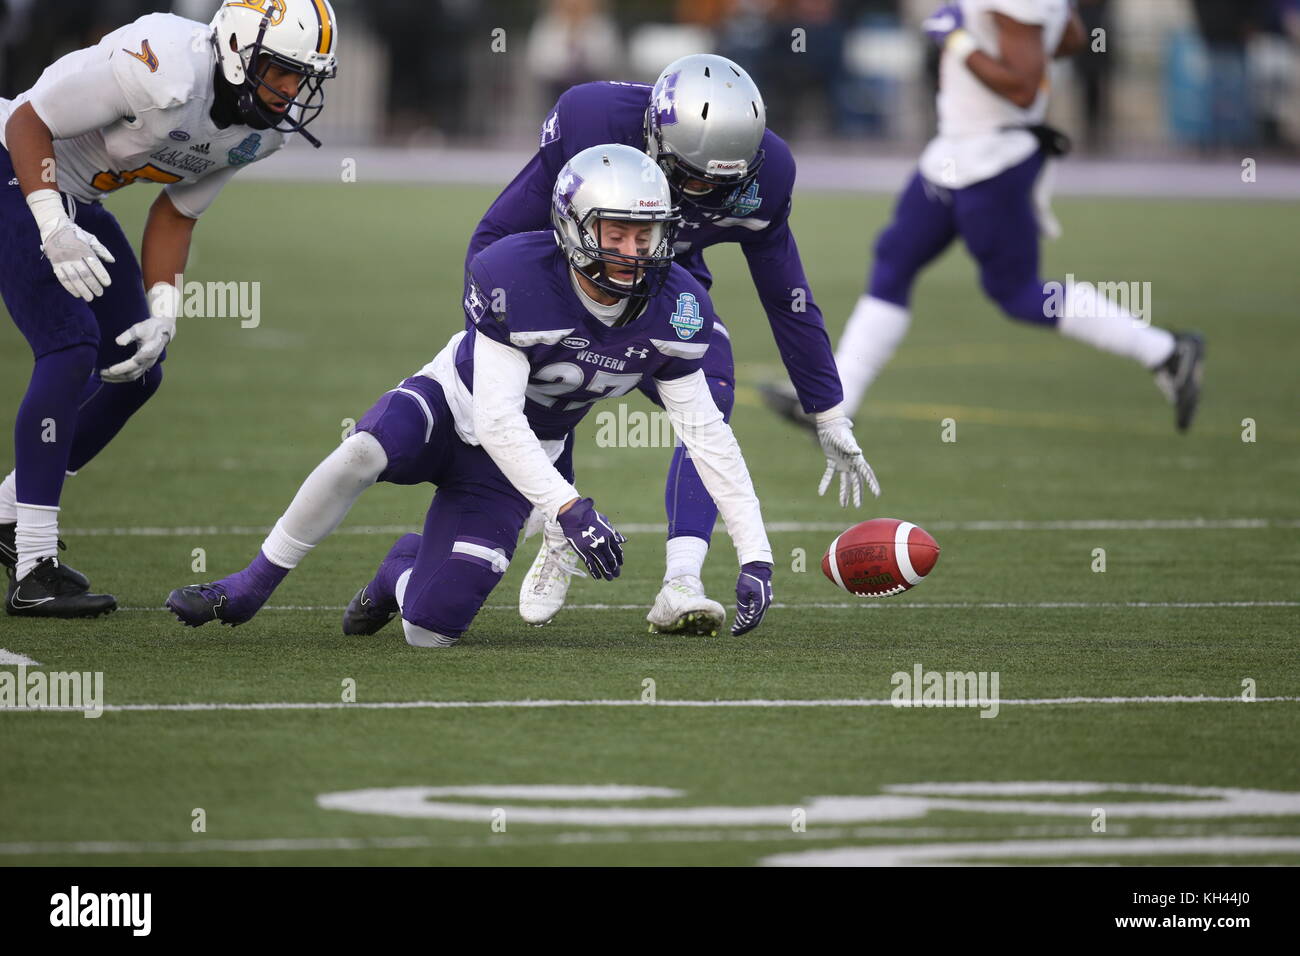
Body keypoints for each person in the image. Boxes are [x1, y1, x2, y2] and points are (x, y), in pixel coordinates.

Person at [166, 144, 776, 646]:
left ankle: (397, 572)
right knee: (361, 453)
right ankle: (249, 584)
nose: (633, 253)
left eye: (646, 237)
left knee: (429, 632)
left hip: (522, 460)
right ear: (572, 226)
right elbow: (495, 415)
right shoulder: (517, 274)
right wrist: (567, 508)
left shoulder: (678, 310)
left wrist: (755, 554)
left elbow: (708, 439)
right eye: (617, 234)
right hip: (451, 407)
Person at [469, 53, 878, 636]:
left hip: (664, 287)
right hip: (567, 285)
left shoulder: (766, 176)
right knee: (555, 392)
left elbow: (786, 292)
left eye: (723, 182)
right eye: (693, 177)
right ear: (655, 140)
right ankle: (562, 525)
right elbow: (499, 235)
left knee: (713, 391)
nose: (707, 193)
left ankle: (681, 580)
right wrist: (496, 324)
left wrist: (828, 408)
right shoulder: (594, 121)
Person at [0, 0, 339, 618]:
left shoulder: (260, 132)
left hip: (77, 201)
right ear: (237, 49)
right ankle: (33, 565)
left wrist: (164, 308)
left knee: (138, 369)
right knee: (71, 345)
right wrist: (51, 224)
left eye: (303, 77)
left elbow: (176, 212)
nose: (291, 90)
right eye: (281, 69)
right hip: (14, 167)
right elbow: (26, 120)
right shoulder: (166, 65)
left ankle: (7, 513)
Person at [762, 1, 1205, 435]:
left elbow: (1023, 87)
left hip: (991, 160)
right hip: (958, 151)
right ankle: (838, 403)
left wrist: (957, 39)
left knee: (1017, 293)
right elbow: (1070, 37)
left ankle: (1164, 351)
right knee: (894, 260)